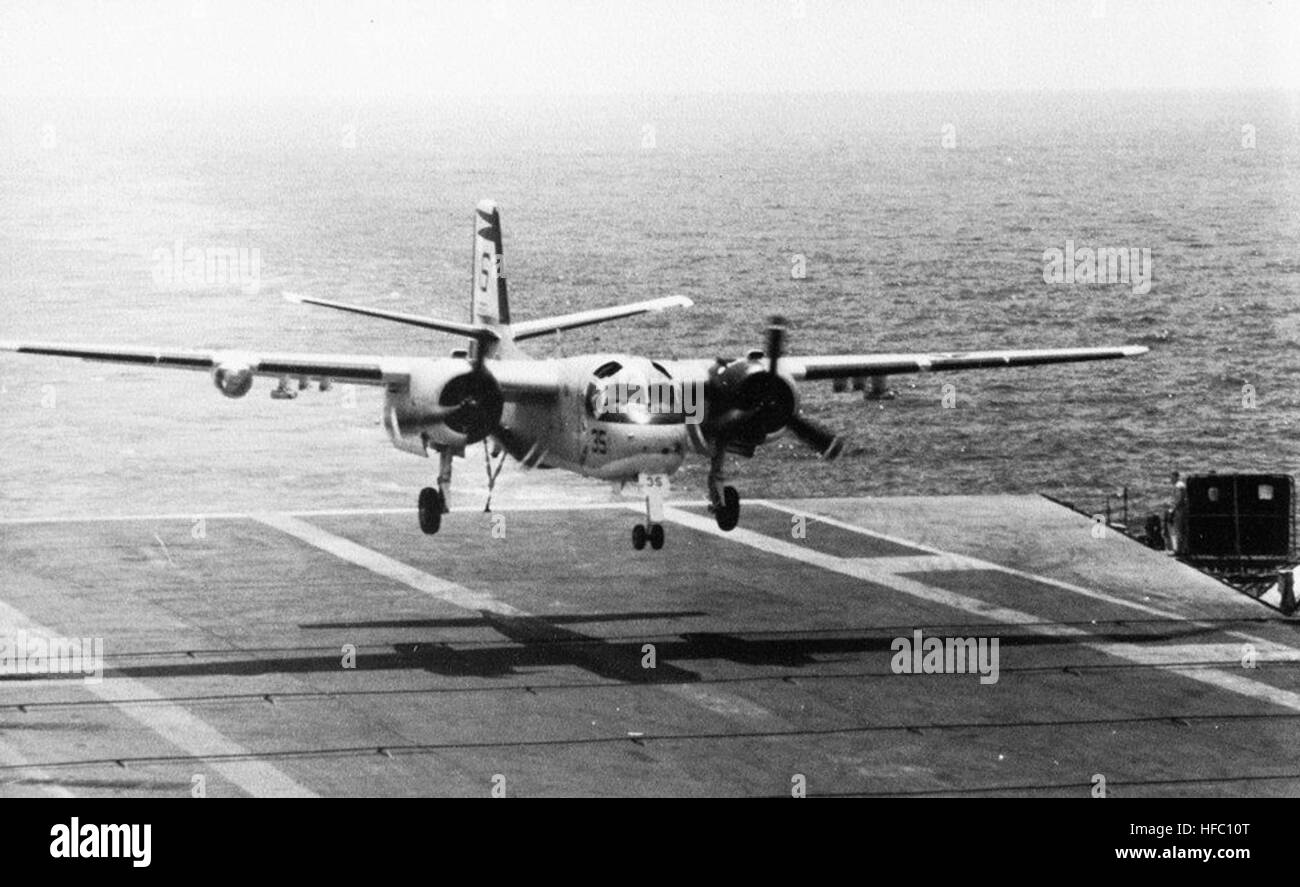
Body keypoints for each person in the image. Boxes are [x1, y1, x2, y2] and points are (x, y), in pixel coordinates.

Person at [1166, 470, 1188, 555]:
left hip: (1180, 510)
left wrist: (1173, 510)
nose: (1171, 479)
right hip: (1183, 509)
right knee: (1182, 530)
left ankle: (1178, 550)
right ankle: (1183, 549)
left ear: (1175, 477)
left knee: (1178, 530)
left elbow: (1179, 500)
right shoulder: (1181, 485)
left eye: (1172, 477)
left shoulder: (1178, 486)